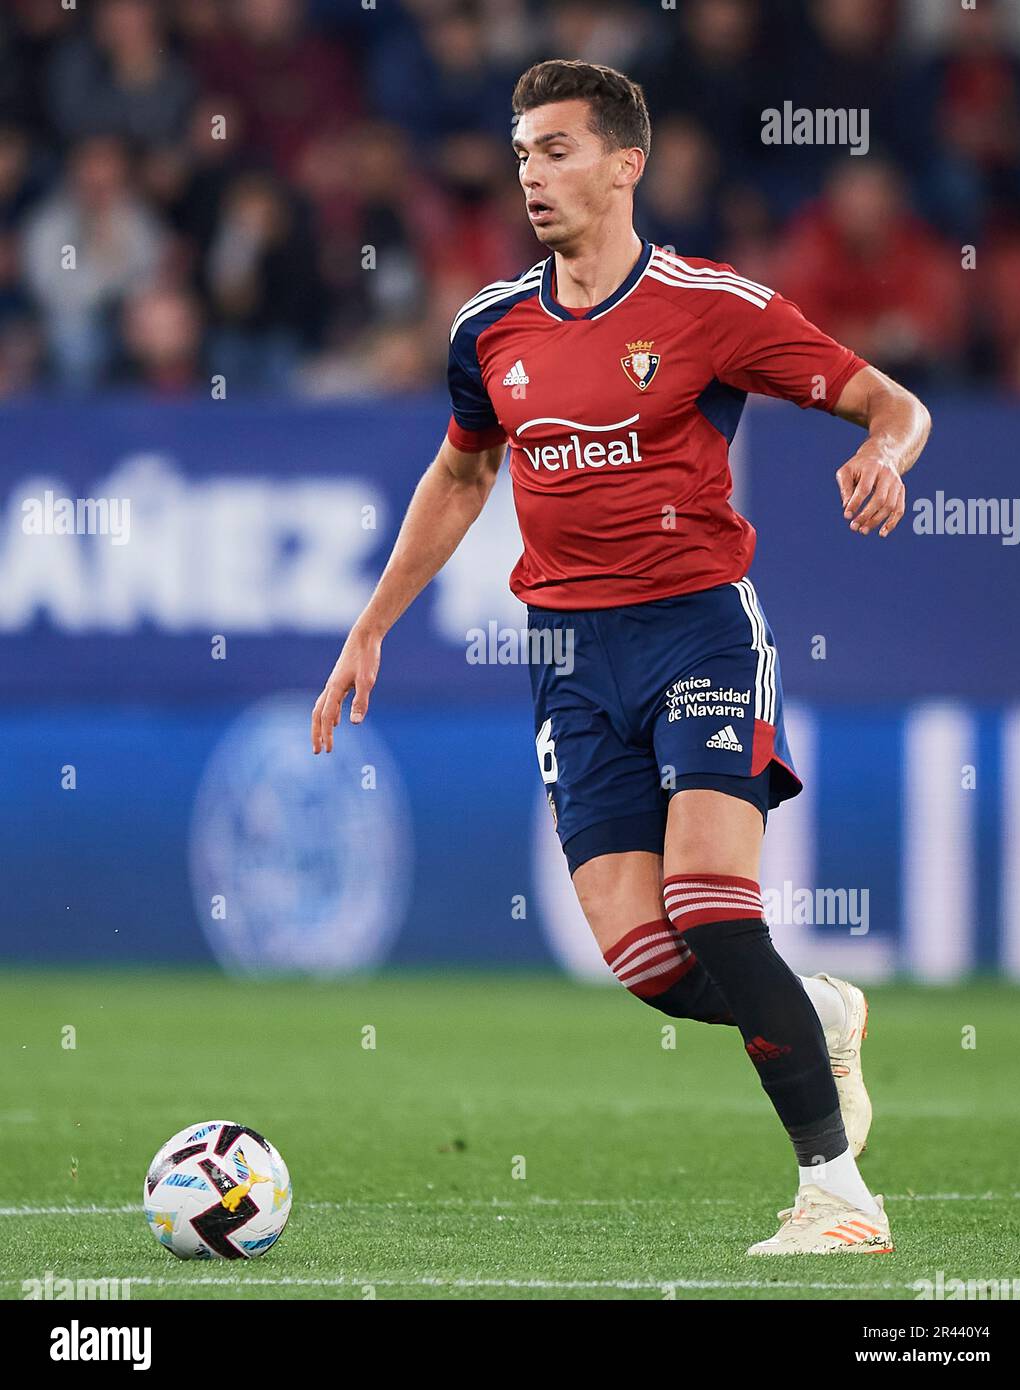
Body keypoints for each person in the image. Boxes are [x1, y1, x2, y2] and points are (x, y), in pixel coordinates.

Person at [311, 60, 931, 1256]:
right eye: (521, 149)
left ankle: (835, 1196)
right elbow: (460, 471)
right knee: (648, 959)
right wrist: (371, 621)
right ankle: (812, 1012)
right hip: (567, 654)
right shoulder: (489, 327)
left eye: (554, 149)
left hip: (696, 628)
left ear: (624, 163)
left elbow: (884, 399)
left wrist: (886, 456)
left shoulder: (712, 305)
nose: (529, 173)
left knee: (709, 901)